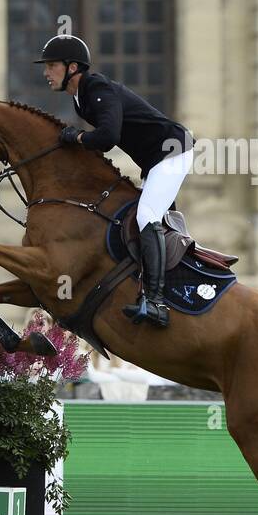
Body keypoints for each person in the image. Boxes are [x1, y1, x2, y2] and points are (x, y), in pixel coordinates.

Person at [36, 33, 195, 328]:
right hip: (154, 161)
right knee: (141, 220)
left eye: (52, 65)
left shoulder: (96, 87)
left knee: (148, 217)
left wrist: (79, 136)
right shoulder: (80, 101)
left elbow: (108, 137)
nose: (46, 72)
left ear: (73, 67)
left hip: (172, 151)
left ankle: (158, 303)